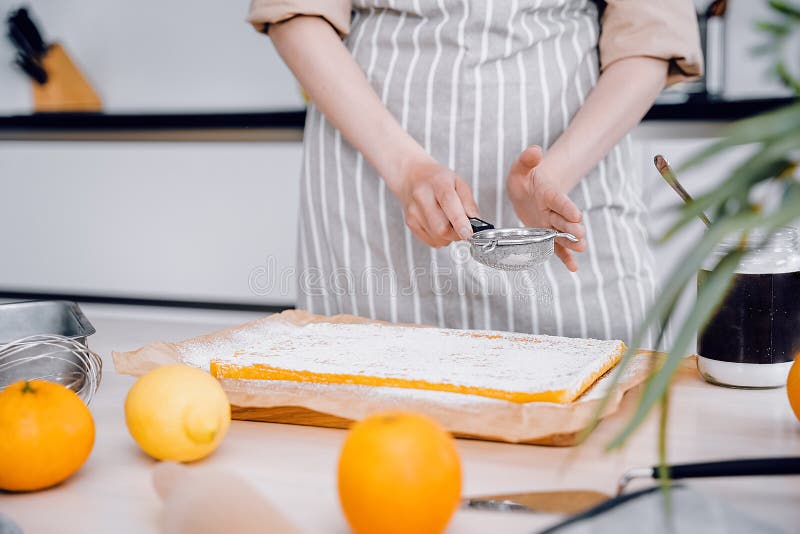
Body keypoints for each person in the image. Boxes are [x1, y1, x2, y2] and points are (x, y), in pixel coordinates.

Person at [248, 0, 702, 343]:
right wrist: (404, 167)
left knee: (597, 414)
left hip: (578, 160)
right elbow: (295, 10)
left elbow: (651, 32)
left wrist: (557, 171)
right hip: (373, 170)